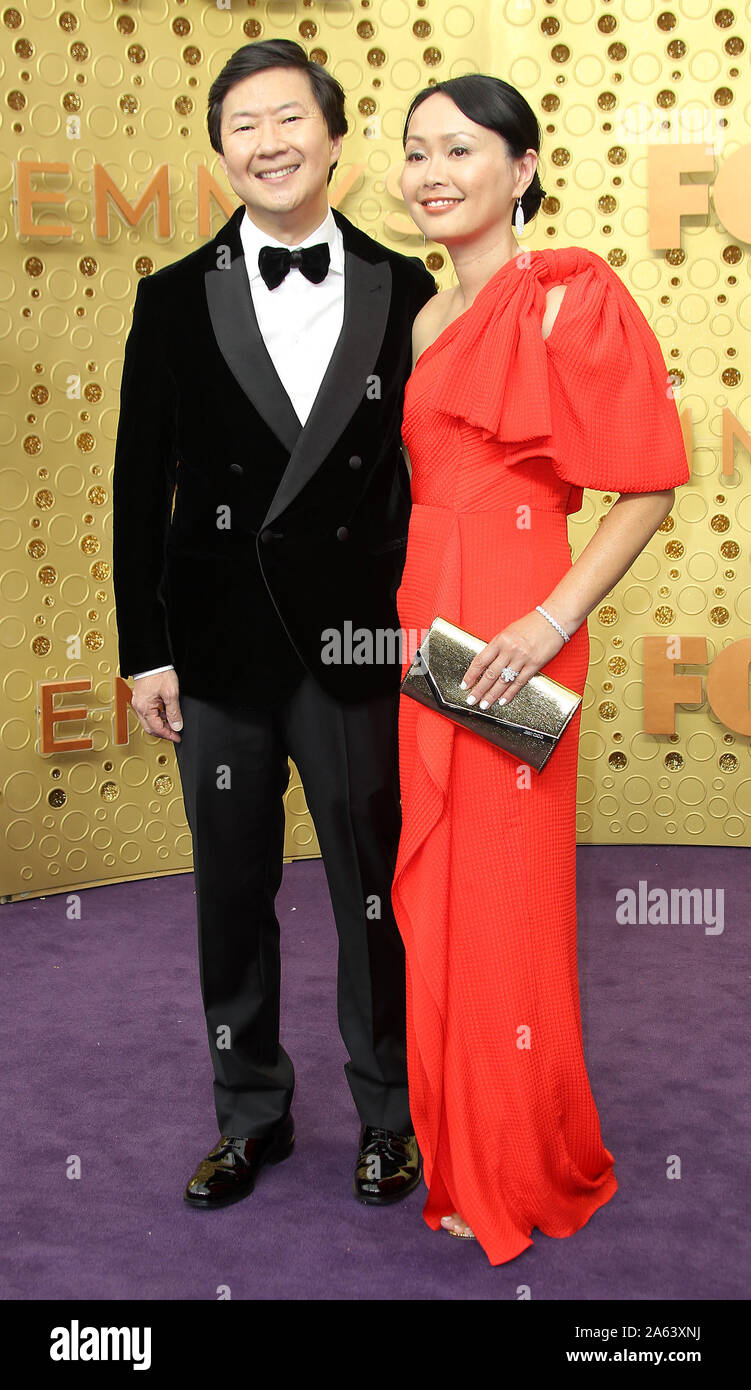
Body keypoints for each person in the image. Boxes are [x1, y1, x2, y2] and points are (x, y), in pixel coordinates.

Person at [112, 39, 436, 1211]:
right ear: (218, 153)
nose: (267, 143)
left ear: (337, 141)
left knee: (370, 893)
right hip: (218, 648)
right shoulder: (167, 296)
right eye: (242, 125)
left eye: (289, 119)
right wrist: (145, 645)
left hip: (357, 646)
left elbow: (429, 476)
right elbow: (135, 477)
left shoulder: (407, 288)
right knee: (231, 889)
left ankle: (388, 1115)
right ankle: (251, 1115)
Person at [393, 74, 690, 1264]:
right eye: (414, 150)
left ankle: (519, 1161)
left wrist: (547, 622)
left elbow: (650, 487)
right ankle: (460, 1153)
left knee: (506, 905)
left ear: (520, 169)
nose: (431, 172)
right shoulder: (420, 319)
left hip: (517, 629)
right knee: (439, 901)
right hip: (428, 625)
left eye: (459, 149)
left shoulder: (571, 299)